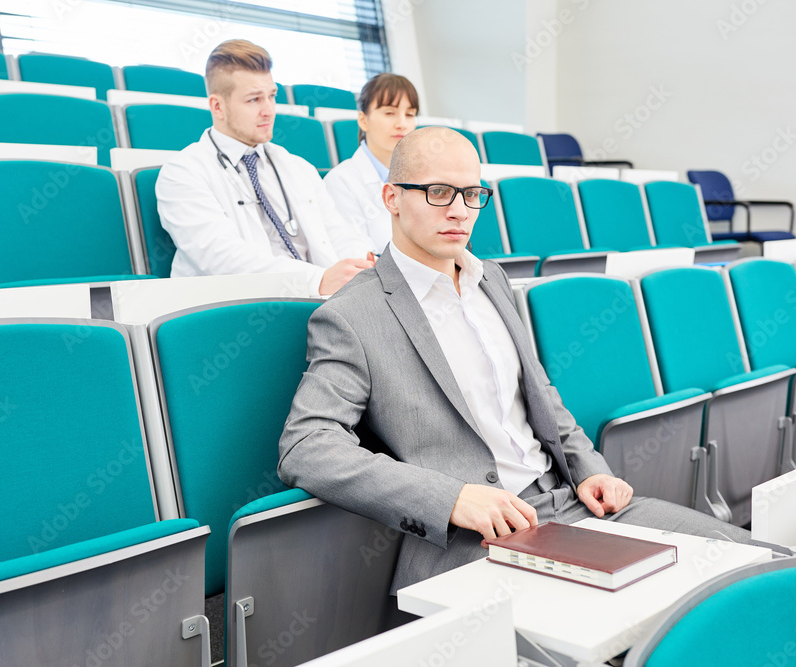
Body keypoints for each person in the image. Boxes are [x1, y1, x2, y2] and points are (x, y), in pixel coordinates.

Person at [278, 127, 750, 592]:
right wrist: (450, 499)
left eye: (471, 194)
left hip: (571, 502)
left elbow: (540, 394)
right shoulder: (352, 314)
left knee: (756, 563)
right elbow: (307, 446)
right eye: (439, 192)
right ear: (392, 197)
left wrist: (591, 469)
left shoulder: (493, 280)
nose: (460, 211)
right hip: (478, 539)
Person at [155, 40, 374, 297]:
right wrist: (318, 280)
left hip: (320, 302)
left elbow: (337, 233)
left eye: (271, 96)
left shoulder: (297, 167)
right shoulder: (182, 173)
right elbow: (222, 259)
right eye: (254, 100)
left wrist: (364, 265)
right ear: (217, 106)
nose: (268, 110)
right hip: (238, 311)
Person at [324, 73, 418, 252]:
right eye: (390, 113)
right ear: (363, 120)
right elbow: (356, 254)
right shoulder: (340, 182)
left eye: (410, 114)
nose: (402, 124)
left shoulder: (423, 176)